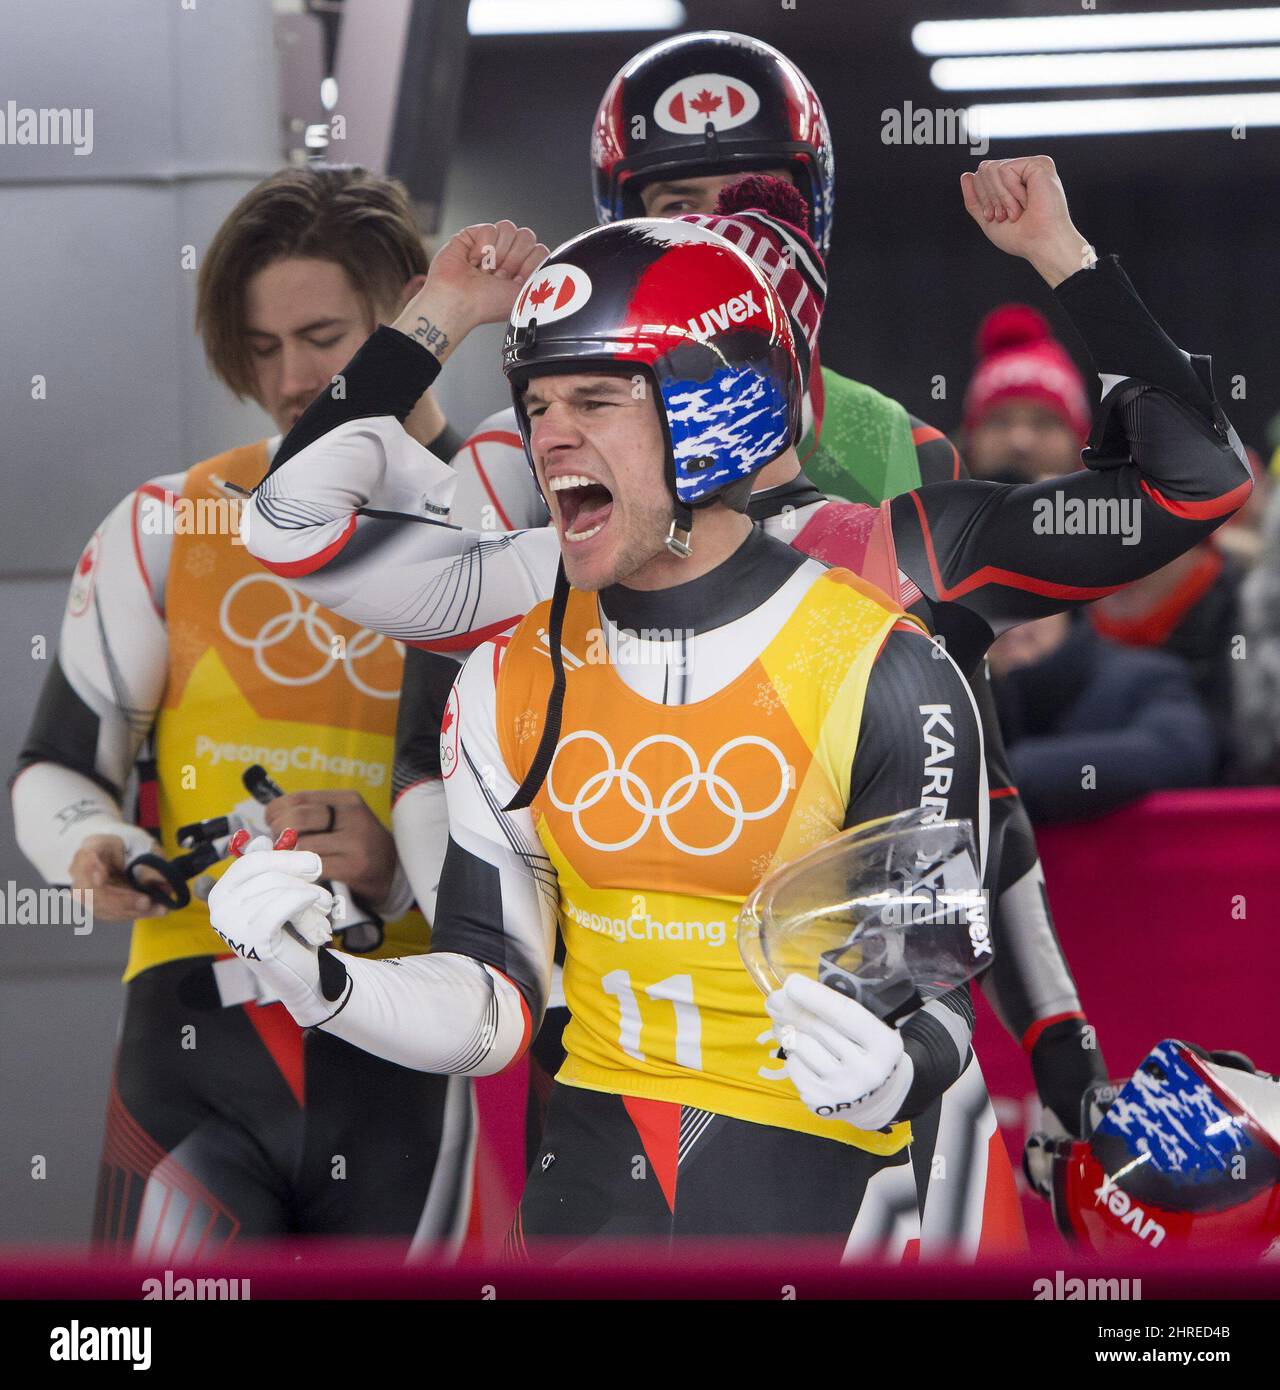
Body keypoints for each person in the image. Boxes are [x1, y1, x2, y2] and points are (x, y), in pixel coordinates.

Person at [214, 214, 997, 1255]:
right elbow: (490, 1005)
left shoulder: (889, 669)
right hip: (586, 1182)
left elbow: (936, 991)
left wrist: (897, 1071)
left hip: (813, 1190)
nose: (549, 437)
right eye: (536, 404)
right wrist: (324, 984)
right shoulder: (510, 657)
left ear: (710, 412)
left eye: (593, 401)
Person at [9, 166, 475, 1258]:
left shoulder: (504, 521)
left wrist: (400, 859)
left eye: (321, 336)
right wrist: (100, 846)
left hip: (424, 1032)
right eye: (260, 349)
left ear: (415, 308)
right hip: (193, 1043)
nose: (292, 379)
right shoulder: (170, 522)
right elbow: (55, 765)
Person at [988, 613, 1217, 821]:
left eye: (1028, 606)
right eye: (994, 610)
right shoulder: (967, 697)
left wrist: (1005, 776)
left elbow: (1178, 750)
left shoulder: (1143, 678)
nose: (1013, 627)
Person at [961, 303, 1091, 483]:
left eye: (1044, 423)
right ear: (970, 440)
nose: (1020, 442)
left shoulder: (1126, 509)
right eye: (999, 422)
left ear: (1079, 442)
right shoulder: (930, 508)